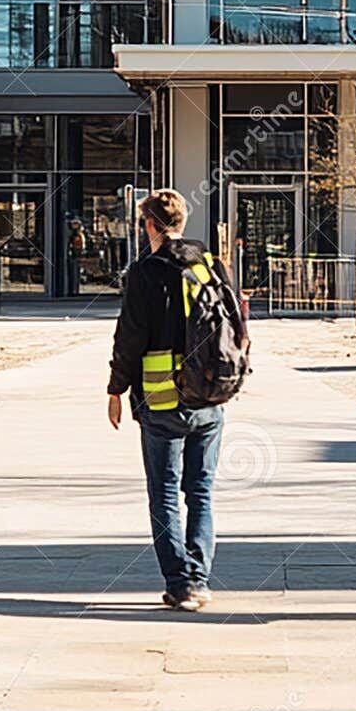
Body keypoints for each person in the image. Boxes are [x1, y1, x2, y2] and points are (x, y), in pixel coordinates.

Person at [107, 187, 226, 612]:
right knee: (201, 490)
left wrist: (116, 387)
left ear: (153, 225)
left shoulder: (146, 271)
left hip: (162, 399)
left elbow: (131, 336)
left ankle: (181, 584)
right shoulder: (209, 263)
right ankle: (199, 579)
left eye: (145, 223)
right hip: (210, 397)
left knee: (164, 492)